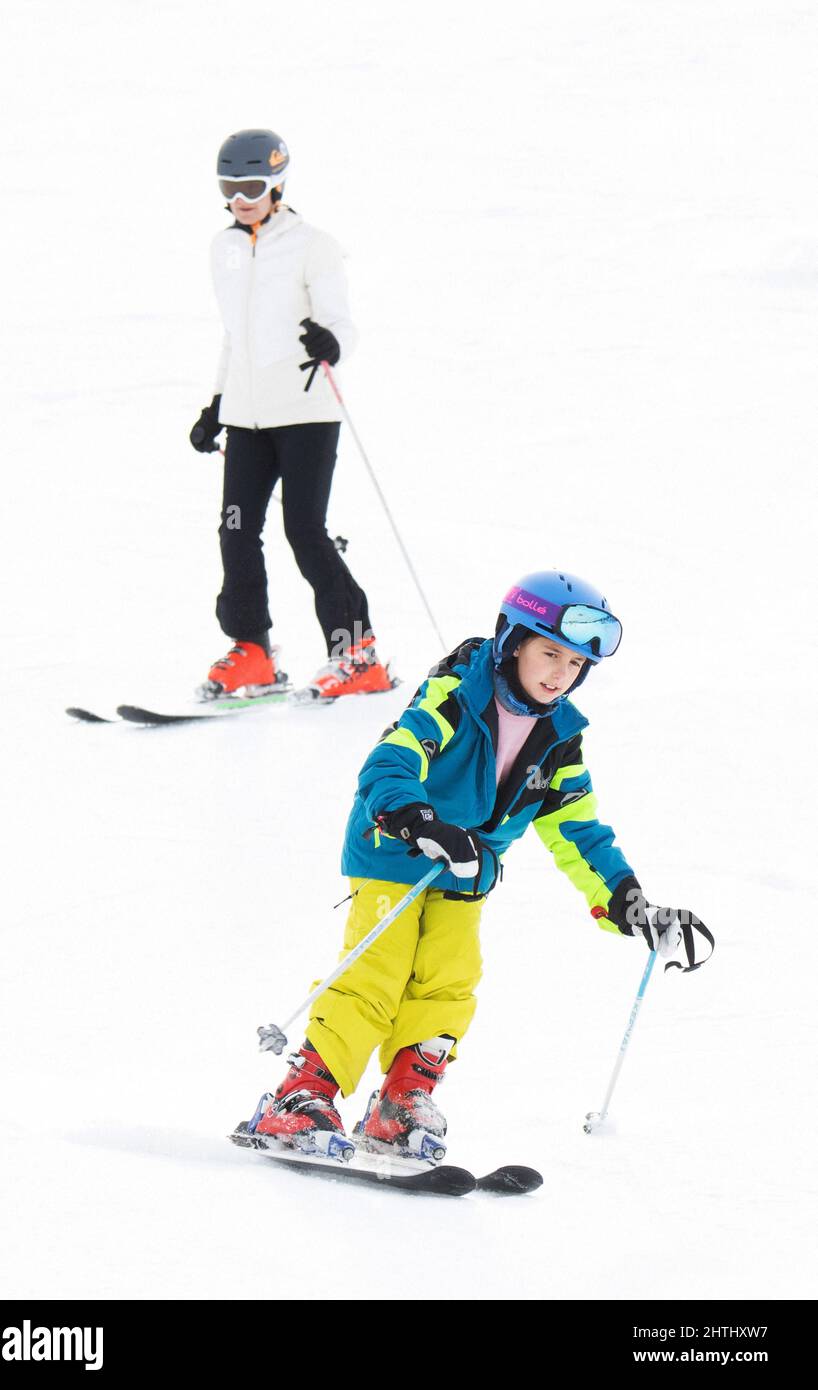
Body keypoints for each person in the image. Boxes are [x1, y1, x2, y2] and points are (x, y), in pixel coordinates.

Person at [242, 570, 686, 1160]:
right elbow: (388, 763)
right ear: (512, 641)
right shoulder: (454, 692)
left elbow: (579, 833)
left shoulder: (559, 737)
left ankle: (402, 1101)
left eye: (576, 664)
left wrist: (632, 904)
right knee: (377, 972)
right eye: (550, 653)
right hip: (393, 850)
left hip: (468, 872)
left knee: (451, 977)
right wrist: (419, 822)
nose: (560, 673)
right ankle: (302, 1095)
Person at [189, 128, 393, 701]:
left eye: (251, 185)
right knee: (235, 531)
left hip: (305, 411)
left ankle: (358, 653)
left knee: (304, 531)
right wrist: (216, 406)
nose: (240, 198)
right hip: (247, 417)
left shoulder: (312, 245)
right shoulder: (223, 249)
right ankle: (251, 650)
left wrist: (330, 344)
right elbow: (236, 337)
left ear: (277, 182)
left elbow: (344, 328)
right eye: (230, 187)